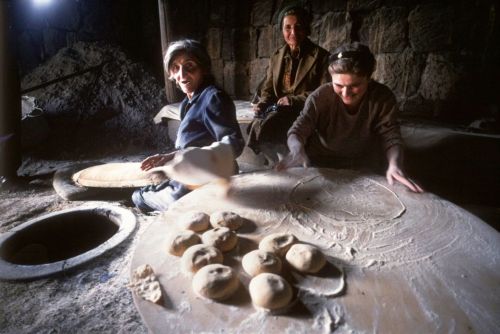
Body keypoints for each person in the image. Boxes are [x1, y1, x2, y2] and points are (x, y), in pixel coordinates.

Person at [277, 42, 423, 193]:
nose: (346, 93)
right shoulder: (320, 97)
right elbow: (298, 130)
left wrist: (395, 165)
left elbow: (391, 136)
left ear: (368, 78)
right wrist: (296, 149)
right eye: (339, 85)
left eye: (355, 85)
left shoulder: (382, 97)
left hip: (362, 162)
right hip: (320, 161)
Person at [132, 39, 244, 212]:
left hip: (209, 179)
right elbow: (196, 145)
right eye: (176, 67)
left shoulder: (213, 98)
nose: (182, 75)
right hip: (192, 176)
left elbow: (234, 142)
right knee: (146, 191)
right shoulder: (188, 102)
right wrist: (168, 156)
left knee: (139, 197)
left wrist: (202, 157)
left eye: (189, 66)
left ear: (204, 68)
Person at [246, 4, 330, 163]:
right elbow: (268, 89)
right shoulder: (276, 57)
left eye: (298, 27)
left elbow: (324, 91)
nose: (293, 33)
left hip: (305, 108)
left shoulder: (321, 56)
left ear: (306, 28)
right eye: (288, 28)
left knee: (274, 122)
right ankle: (279, 160)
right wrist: (263, 103)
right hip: (280, 108)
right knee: (259, 123)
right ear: (282, 30)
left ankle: (291, 162)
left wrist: (292, 100)